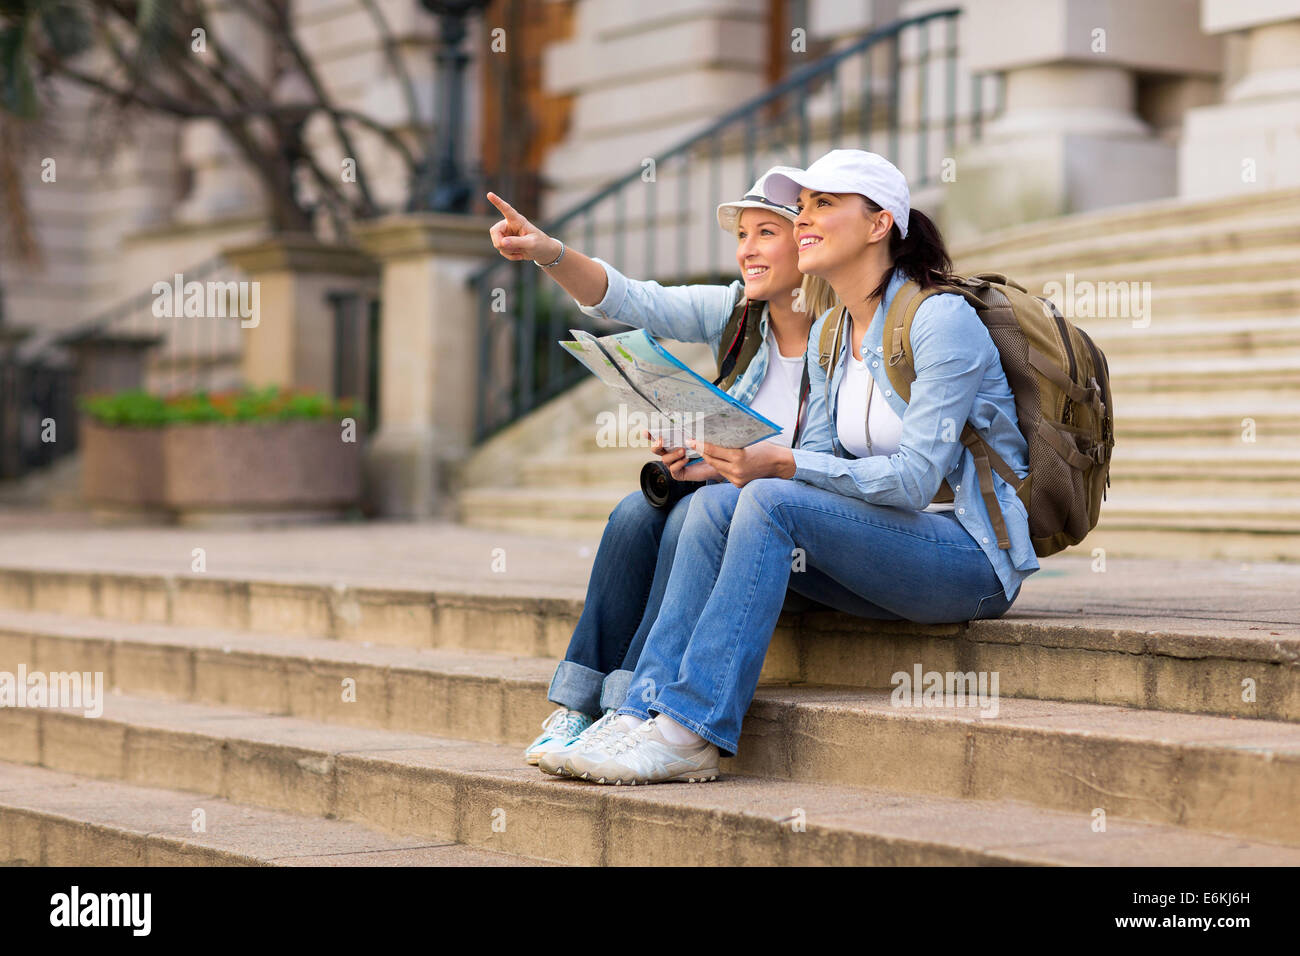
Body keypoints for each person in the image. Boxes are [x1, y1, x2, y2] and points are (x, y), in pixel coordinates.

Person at [561, 148, 1041, 786]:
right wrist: (724, 463)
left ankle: (692, 731)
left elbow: (914, 480)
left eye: (824, 204)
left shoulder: (939, 319)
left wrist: (780, 463)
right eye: (804, 205)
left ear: (879, 225)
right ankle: (637, 711)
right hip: (876, 546)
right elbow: (819, 459)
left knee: (769, 498)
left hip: (967, 558)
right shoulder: (833, 333)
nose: (805, 219)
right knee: (712, 504)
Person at [483, 171, 838, 769]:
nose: (747, 249)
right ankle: (579, 707)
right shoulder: (737, 314)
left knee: (689, 516)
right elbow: (629, 298)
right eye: (742, 234)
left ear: (806, 242)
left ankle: (634, 707)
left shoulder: (841, 336)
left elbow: (823, 462)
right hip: (727, 499)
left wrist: (720, 470)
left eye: (766, 233)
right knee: (632, 513)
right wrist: (549, 252)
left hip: (782, 533)